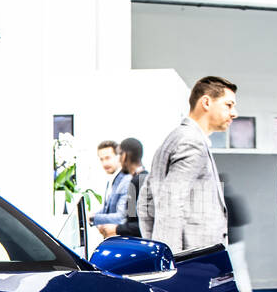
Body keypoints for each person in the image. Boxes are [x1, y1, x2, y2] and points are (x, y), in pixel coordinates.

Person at [138, 75, 237, 251]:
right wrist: (172, 262)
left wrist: (154, 246)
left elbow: (145, 202)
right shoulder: (192, 142)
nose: (234, 113)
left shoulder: (176, 137)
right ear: (206, 103)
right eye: (228, 105)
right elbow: (170, 204)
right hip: (194, 260)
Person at [100, 137, 145, 238]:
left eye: (119, 154)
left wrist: (116, 229)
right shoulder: (141, 178)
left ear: (124, 156)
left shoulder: (137, 181)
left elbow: (141, 224)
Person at [90, 140, 130, 230]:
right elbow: (107, 209)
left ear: (119, 157)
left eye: (108, 158)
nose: (104, 163)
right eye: (101, 159)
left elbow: (122, 217)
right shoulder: (113, 179)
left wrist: (93, 218)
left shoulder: (126, 180)